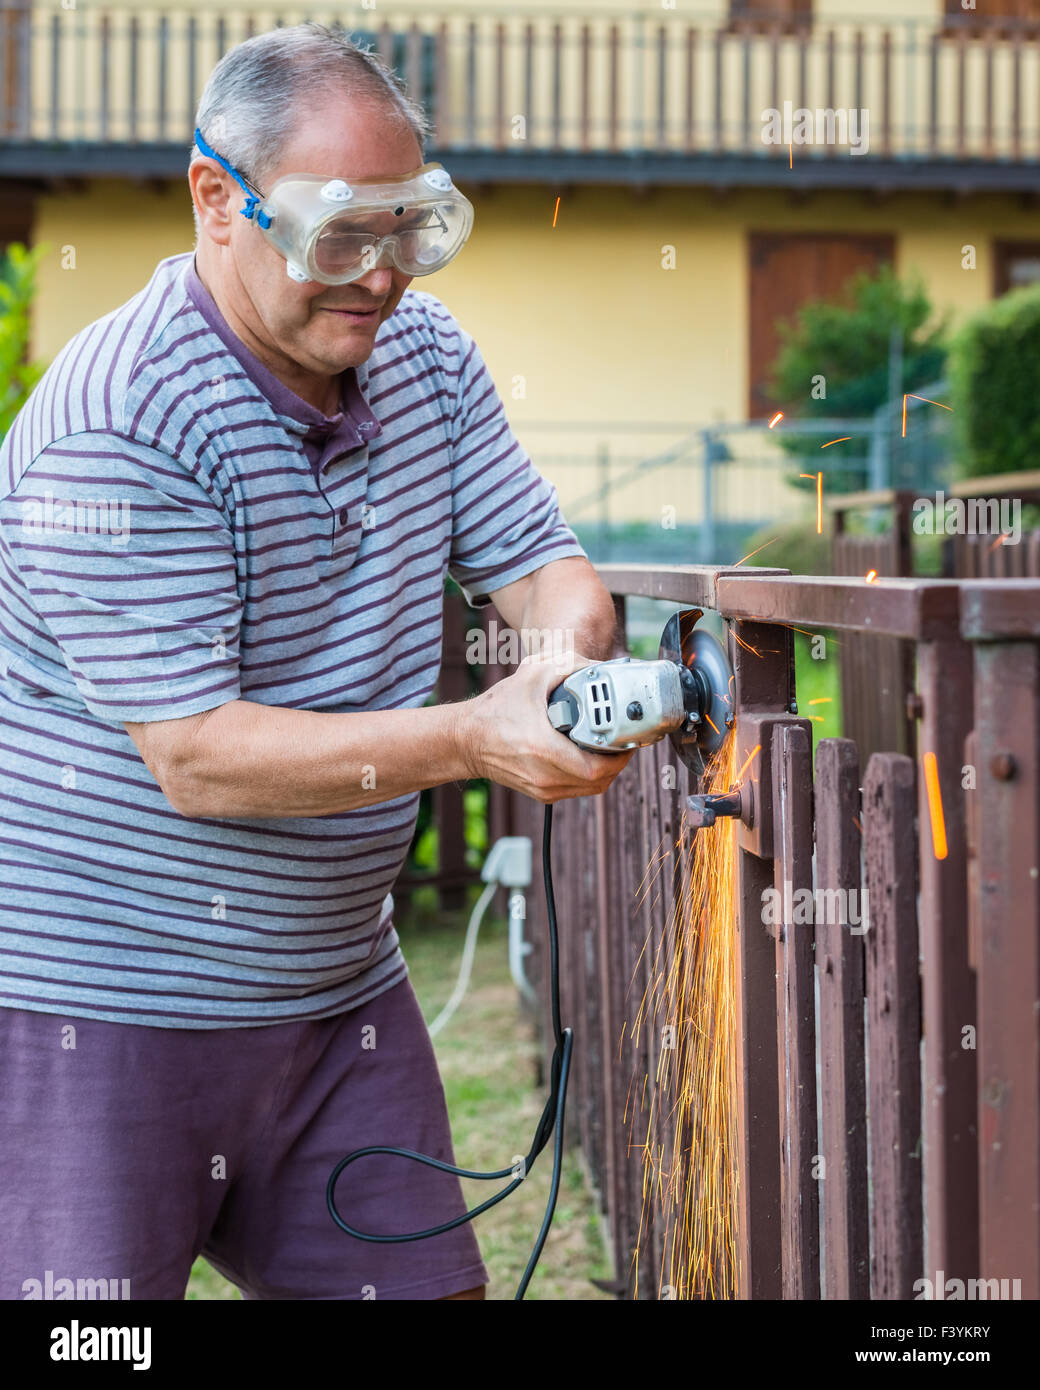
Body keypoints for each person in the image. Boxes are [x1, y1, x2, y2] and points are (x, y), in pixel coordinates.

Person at [0, 22, 631, 1301]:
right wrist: (471, 735)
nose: (382, 274)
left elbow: (551, 574)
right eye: (341, 231)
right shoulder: (119, 417)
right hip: (91, 1006)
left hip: (338, 993)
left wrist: (556, 683)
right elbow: (198, 757)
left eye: (410, 228)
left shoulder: (429, 357)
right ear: (214, 198)